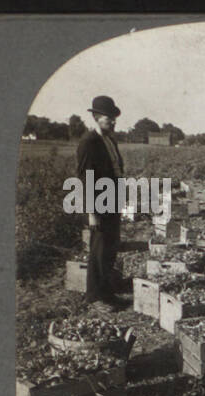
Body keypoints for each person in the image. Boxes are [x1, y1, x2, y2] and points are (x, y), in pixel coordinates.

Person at [76, 95, 126, 308]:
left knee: (110, 250)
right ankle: (94, 296)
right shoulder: (89, 142)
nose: (113, 122)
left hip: (113, 200)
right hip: (99, 204)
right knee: (98, 251)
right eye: (108, 118)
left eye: (114, 118)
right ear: (96, 117)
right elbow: (85, 179)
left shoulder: (110, 140)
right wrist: (91, 212)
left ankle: (107, 293)